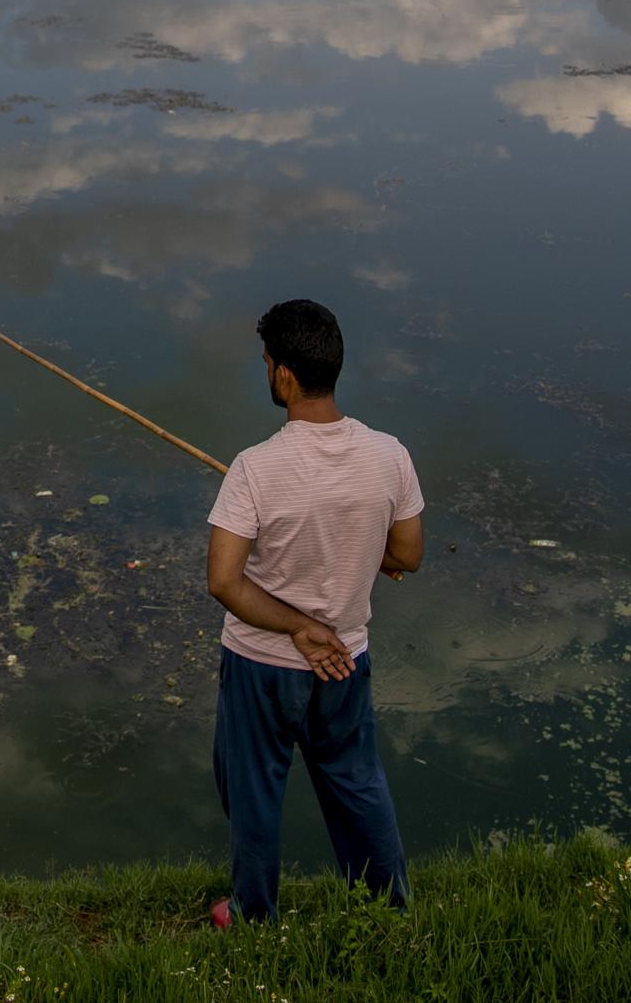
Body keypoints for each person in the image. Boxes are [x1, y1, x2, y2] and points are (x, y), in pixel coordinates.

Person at [203, 298, 423, 925]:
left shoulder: (254, 468)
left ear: (284, 376)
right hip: (345, 661)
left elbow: (224, 581)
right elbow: (407, 554)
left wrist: (299, 626)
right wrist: (365, 535)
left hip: (261, 665)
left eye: (267, 360)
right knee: (357, 785)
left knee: (253, 794)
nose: (267, 370)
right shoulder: (389, 454)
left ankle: (252, 916)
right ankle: (387, 911)